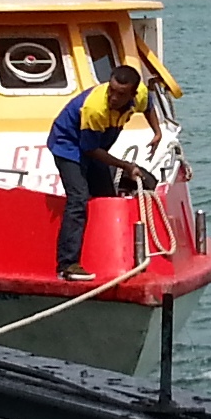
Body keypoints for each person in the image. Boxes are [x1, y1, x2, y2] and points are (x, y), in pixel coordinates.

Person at [47, 65, 163, 281]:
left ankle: (105, 254)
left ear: (132, 94)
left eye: (121, 94)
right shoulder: (95, 108)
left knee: (107, 197)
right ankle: (67, 264)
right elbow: (90, 150)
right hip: (69, 145)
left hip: (95, 144)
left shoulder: (140, 96)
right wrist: (126, 166)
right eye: (111, 90)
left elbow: (148, 106)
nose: (113, 97)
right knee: (78, 199)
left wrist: (157, 132)